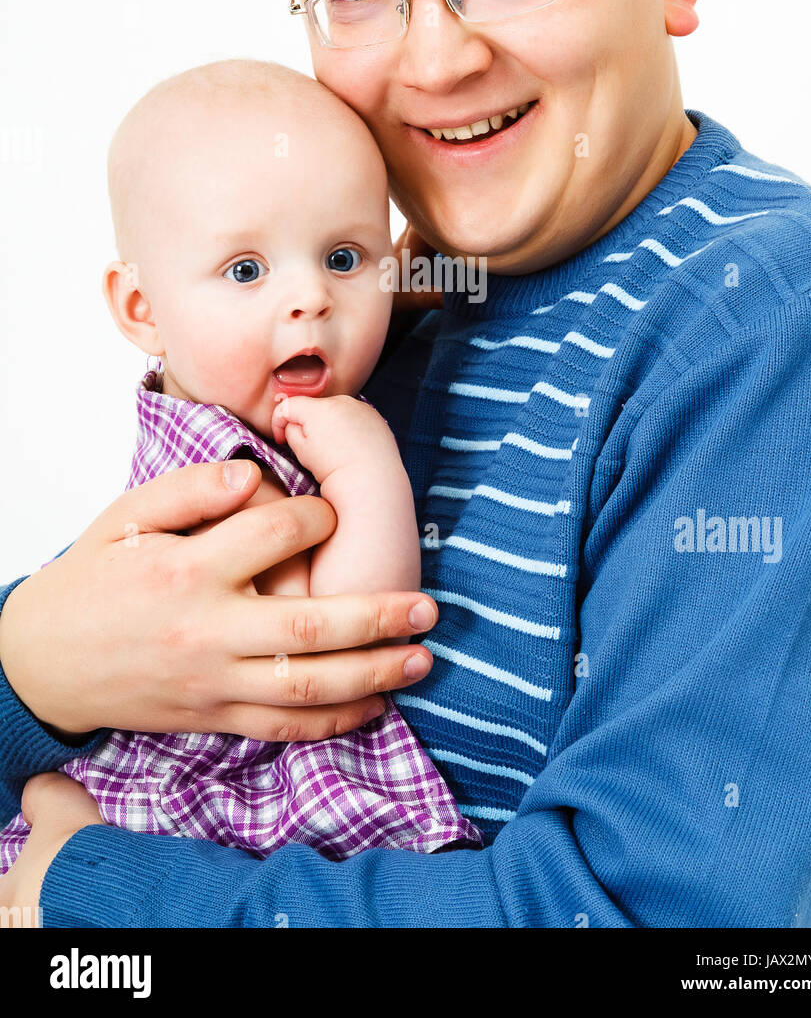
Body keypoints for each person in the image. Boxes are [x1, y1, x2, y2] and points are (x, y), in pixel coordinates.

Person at [1, 0, 811, 928]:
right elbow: (130, 618)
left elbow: (662, 924)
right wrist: (31, 667)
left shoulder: (767, 322)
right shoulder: (378, 287)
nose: (436, 55)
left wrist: (99, 899)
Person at [0, 60, 482, 871]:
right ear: (141, 309)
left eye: (342, 257)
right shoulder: (219, 461)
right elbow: (332, 639)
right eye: (246, 271)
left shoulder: (244, 416)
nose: (310, 300)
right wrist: (370, 477)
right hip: (196, 807)